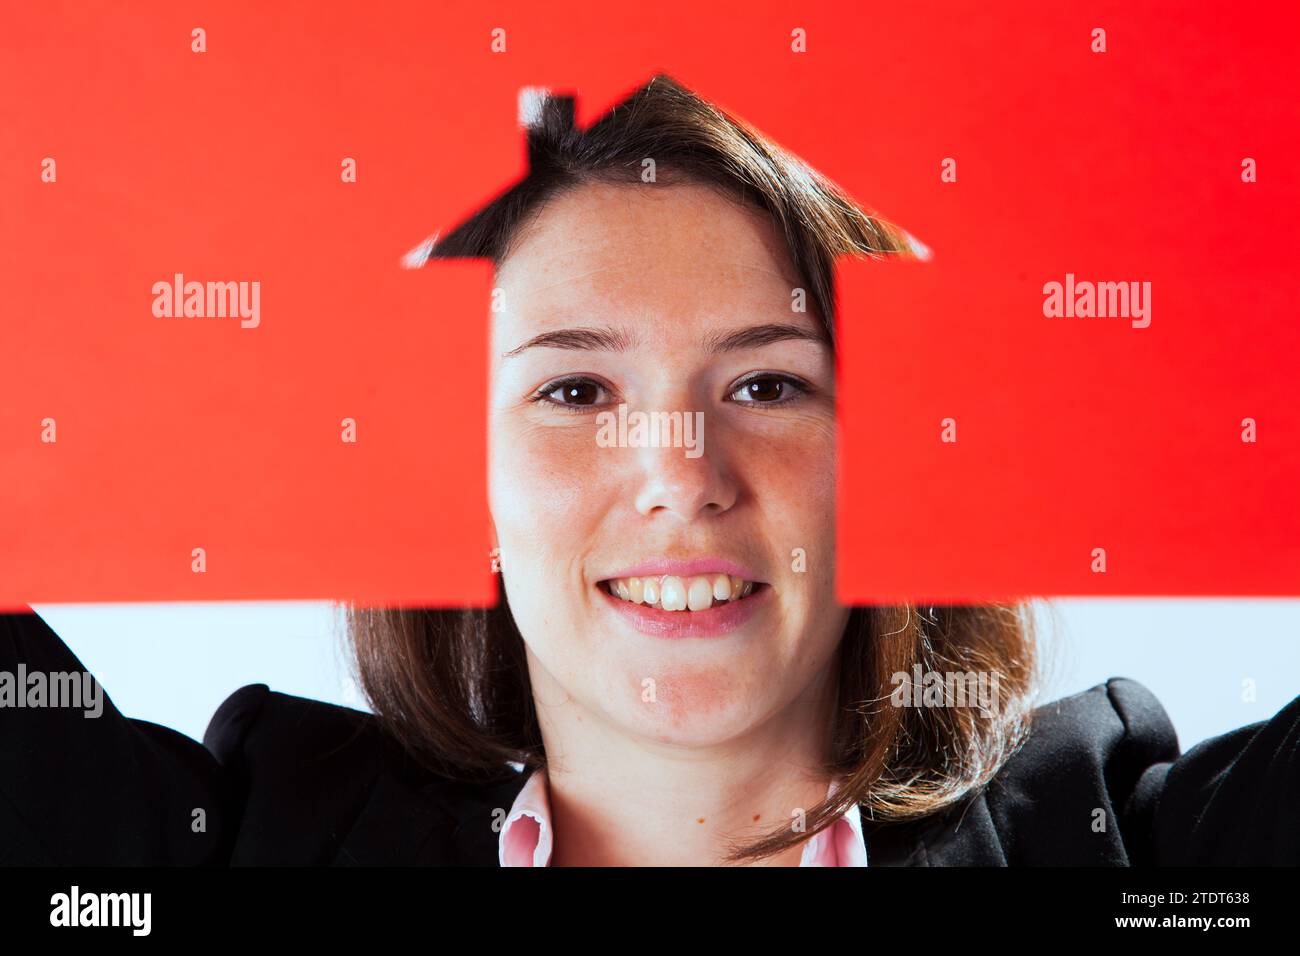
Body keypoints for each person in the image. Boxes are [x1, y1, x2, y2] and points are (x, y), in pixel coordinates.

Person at [2, 76, 1296, 866]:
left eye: (767, 384)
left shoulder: (1147, 856)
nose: (680, 473)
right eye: (574, 390)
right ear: (468, 470)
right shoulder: (236, 851)